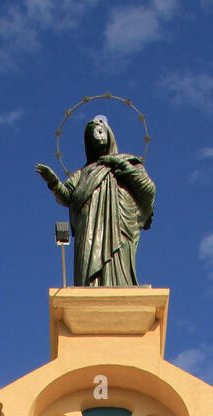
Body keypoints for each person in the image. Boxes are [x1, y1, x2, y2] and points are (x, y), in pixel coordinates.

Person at [36, 116, 156, 287]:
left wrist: (121, 165)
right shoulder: (83, 173)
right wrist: (54, 182)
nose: (98, 137)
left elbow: (148, 189)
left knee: (119, 261)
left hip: (119, 223)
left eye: (101, 132)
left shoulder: (128, 163)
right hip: (89, 228)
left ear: (109, 134)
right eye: (93, 135)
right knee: (88, 270)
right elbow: (67, 196)